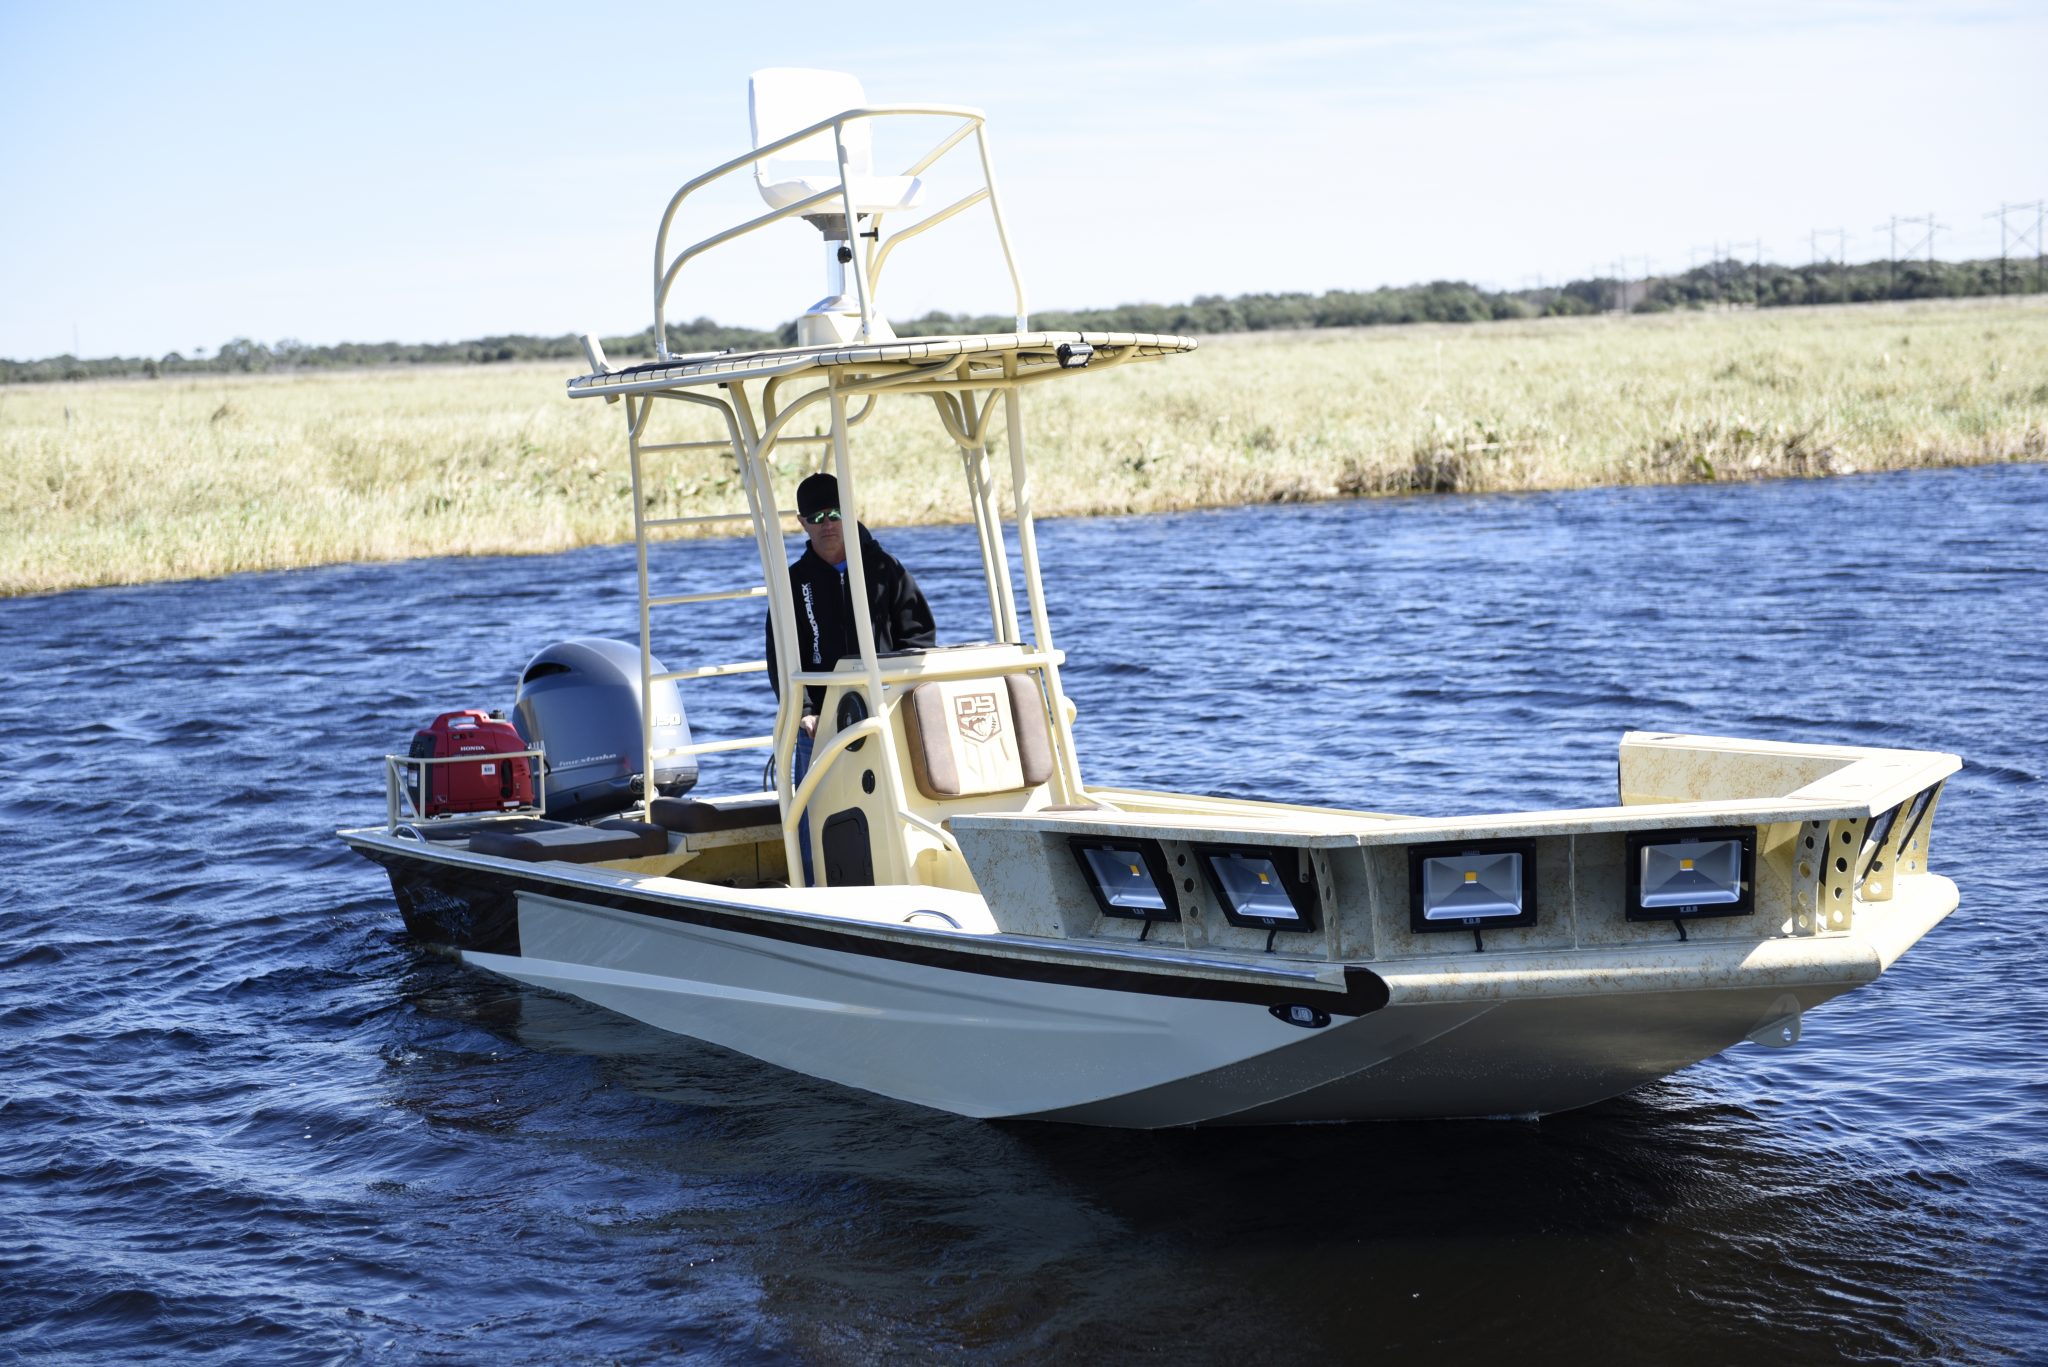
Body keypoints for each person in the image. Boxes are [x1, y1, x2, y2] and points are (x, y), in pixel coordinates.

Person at [766, 472, 936, 881]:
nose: (828, 524)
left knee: (897, 802)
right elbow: (780, 656)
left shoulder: (885, 569)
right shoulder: (793, 582)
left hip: (884, 712)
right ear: (802, 522)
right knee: (812, 812)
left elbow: (920, 637)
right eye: (818, 515)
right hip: (819, 725)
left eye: (836, 513)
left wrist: (899, 694)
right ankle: (811, 890)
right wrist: (804, 710)